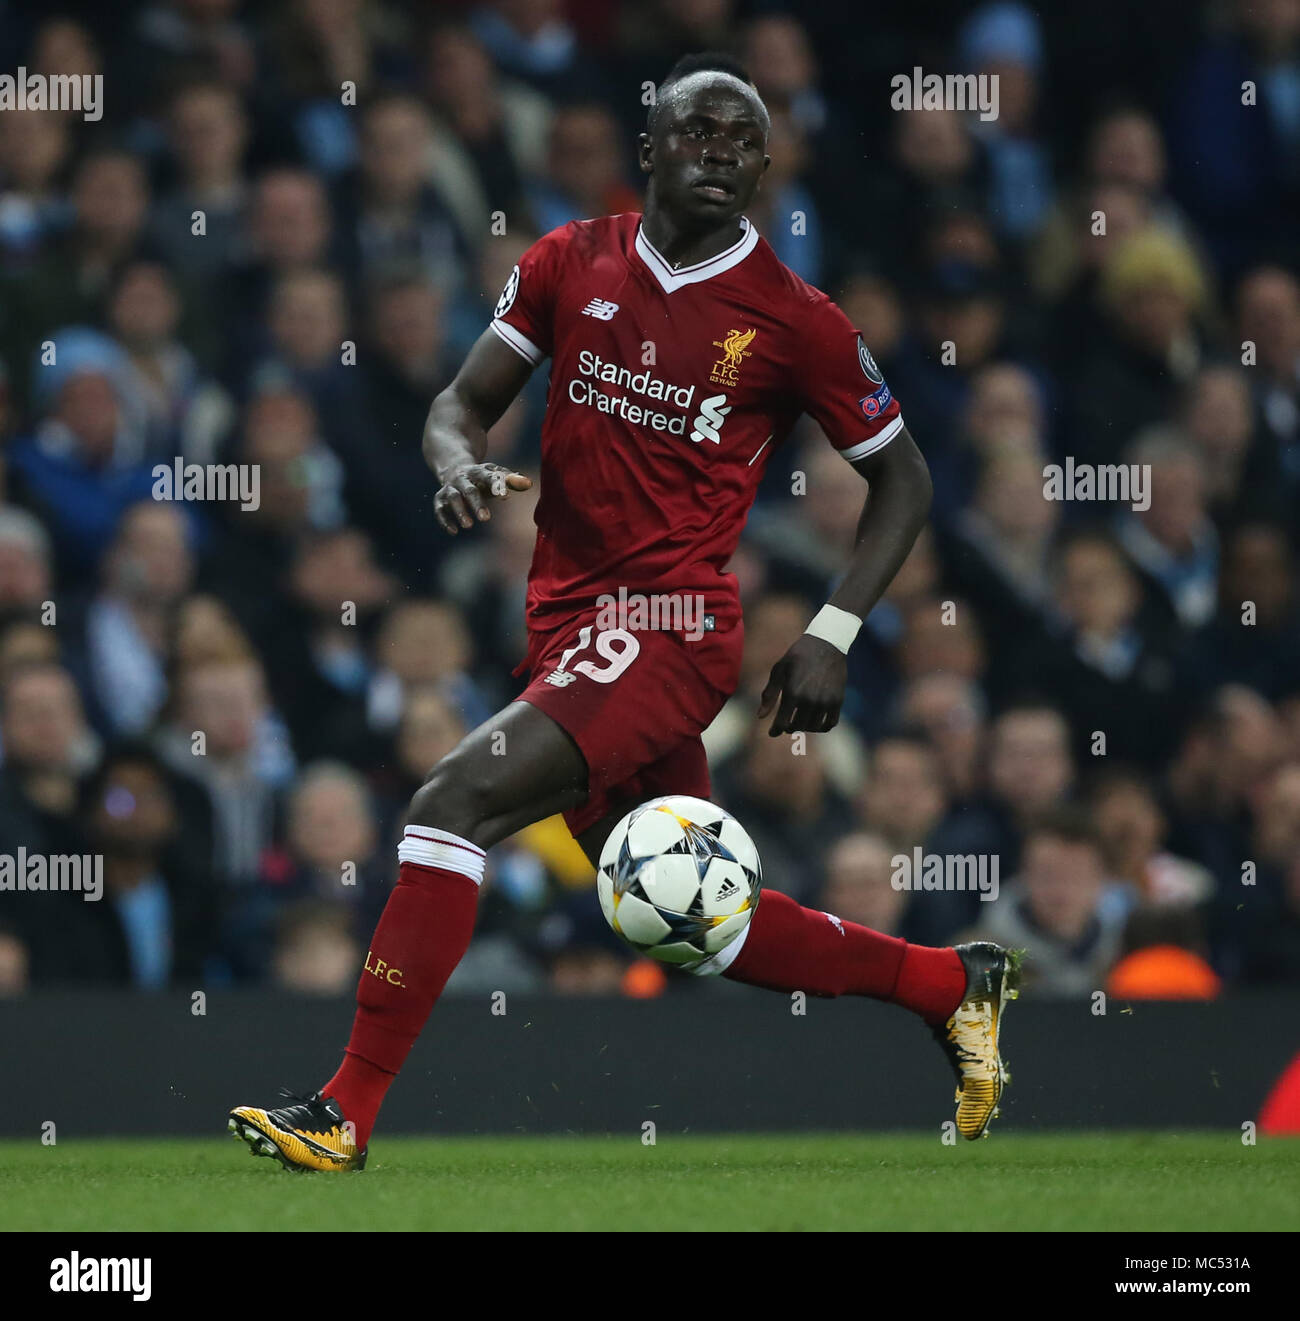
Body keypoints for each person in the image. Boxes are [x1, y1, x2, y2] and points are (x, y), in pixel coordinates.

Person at [229, 53, 1019, 1172]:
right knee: (693, 914)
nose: (721, 157)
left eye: (743, 143)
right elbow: (460, 404)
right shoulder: (569, 262)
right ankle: (951, 984)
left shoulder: (796, 321)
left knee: (449, 804)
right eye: (698, 134)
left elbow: (906, 478)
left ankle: (345, 1110)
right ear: (649, 150)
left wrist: (832, 631)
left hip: (672, 627)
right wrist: (455, 461)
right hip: (568, 626)